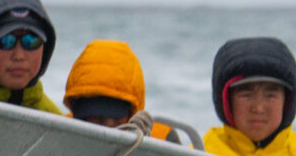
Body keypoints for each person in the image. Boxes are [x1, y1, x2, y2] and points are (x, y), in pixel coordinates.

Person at [62, 40, 200, 146]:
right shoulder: (56, 133)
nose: (106, 125)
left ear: (132, 111)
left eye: (115, 116)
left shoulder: (163, 139)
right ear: (76, 109)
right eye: (95, 116)